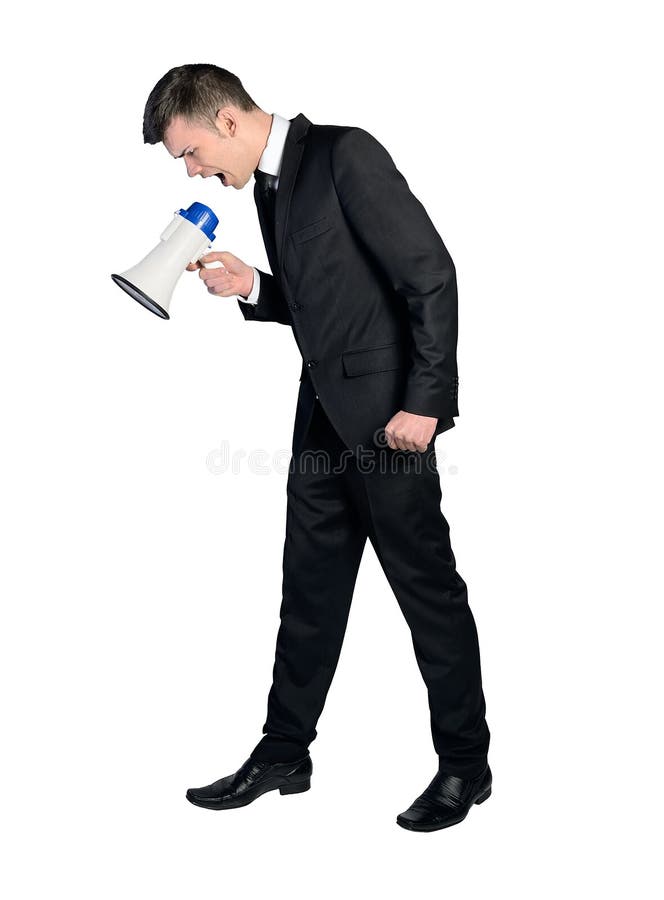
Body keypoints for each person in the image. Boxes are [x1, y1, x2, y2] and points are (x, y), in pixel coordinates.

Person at [142, 64, 492, 831]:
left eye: (192, 153)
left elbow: (430, 275)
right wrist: (256, 289)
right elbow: (329, 300)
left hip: (391, 424)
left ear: (226, 121)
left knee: (427, 595)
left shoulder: (343, 154)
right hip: (323, 420)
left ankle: (466, 765)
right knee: (308, 592)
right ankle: (284, 752)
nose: (195, 171)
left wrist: (425, 405)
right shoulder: (271, 186)